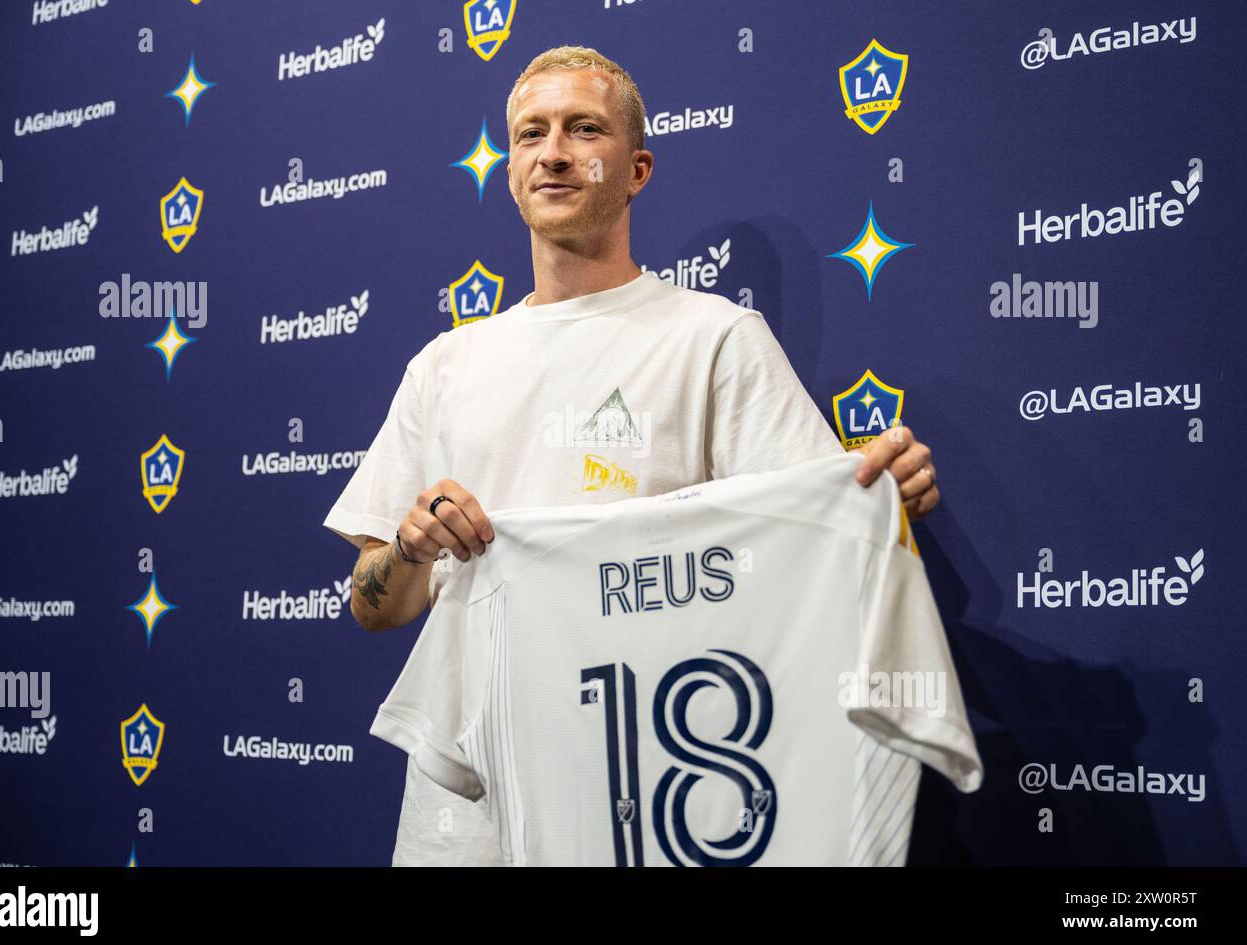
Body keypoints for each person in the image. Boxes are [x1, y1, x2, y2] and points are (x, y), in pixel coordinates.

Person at [324, 46, 940, 866]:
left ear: (637, 167)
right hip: (462, 823)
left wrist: (878, 497)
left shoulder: (716, 339)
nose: (553, 152)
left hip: (650, 798)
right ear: (509, 168)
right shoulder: (444, 366)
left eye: (585, 130)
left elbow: (815, 553)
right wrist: (408, 547)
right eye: (531, 134)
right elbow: (374, 605)